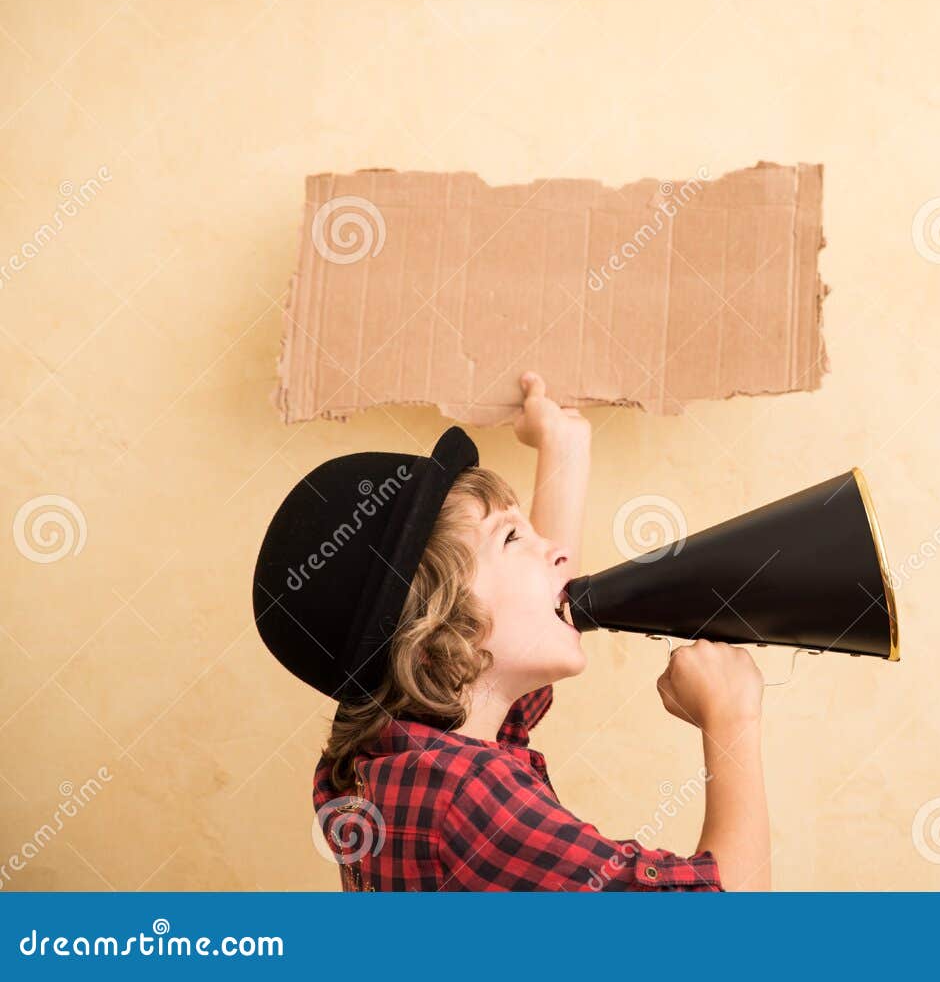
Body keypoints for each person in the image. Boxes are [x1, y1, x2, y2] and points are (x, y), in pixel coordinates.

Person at [252, 372, 770, 890]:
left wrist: (565, 448)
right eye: (512, 538)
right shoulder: (468, 800)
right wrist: (731, 719)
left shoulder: (398, 754)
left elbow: (503, 647)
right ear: (438, 636)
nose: (559, 554)